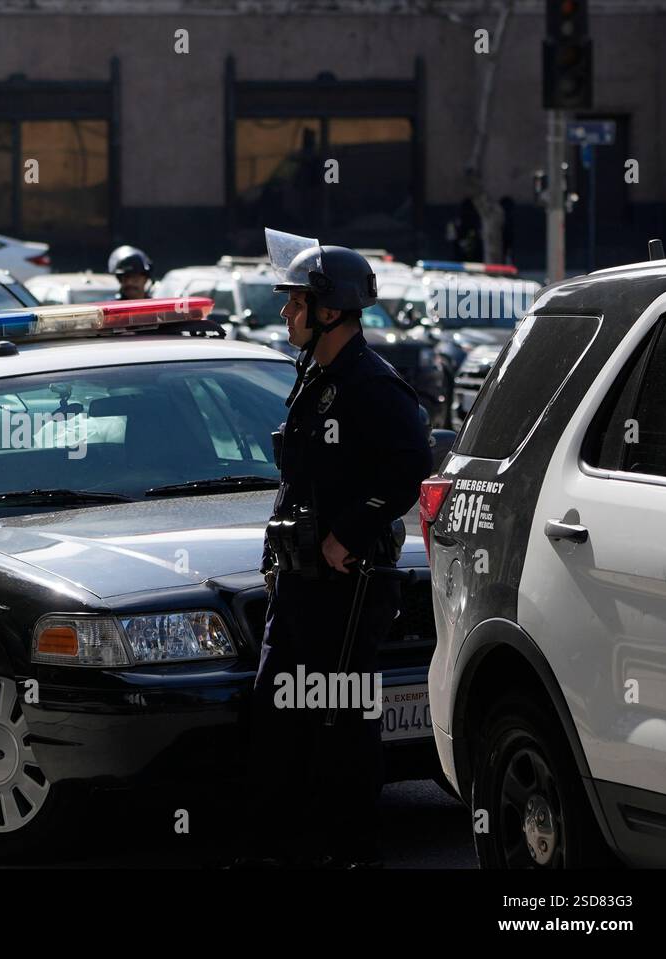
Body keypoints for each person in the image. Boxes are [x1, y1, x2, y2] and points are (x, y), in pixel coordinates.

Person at [244, 229, 431, 869]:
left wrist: (345, 535)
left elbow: (410, 469)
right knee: (278, 719)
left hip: (347, 587)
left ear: (331, 309)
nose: (285, 313)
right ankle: (280, 849)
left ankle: (353, 853)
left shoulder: (372, 384)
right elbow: (301, 480)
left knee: (342, 724)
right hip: (297, 586)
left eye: (295, 302)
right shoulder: (312, 375)